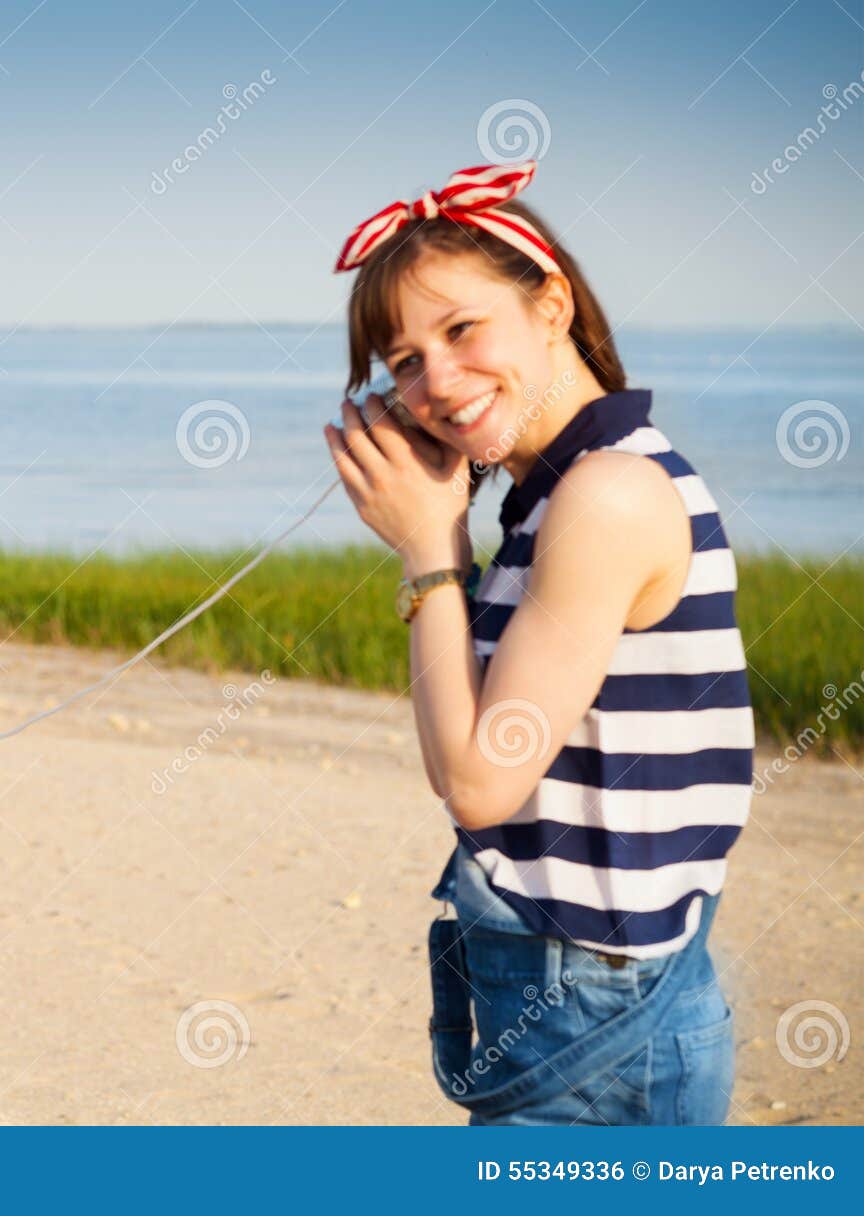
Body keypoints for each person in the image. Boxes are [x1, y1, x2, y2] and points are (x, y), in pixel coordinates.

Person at [323, 162, 752, 1125]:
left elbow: (477, 782)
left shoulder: (606, 496)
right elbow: (469, 765)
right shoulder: (549, 500)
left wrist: (430, 551)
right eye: (403, 362)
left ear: (551, 304)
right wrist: (445, 538)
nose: (437, 382)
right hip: (563, 988)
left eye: (462, 329)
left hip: (598, 1019)